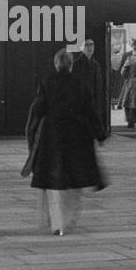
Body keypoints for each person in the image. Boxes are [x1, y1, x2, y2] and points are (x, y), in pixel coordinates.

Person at [23, 48, 107, 235]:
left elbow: (37, 110)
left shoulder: (47, 82)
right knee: (74, 181)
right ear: (71, 65)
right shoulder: (80, 83)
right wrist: (100, 134)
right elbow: (91, 111)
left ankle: (57, 224)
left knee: (54, 184)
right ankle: (68, 220)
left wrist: (31, 134)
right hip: (78, 136)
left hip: (51, 137)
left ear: (56, 64)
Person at [72, 39, 110, 141]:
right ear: (82, 48)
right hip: (82, 99)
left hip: (94, 98)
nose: (90, 47)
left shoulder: (96, 64)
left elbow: (99, 83)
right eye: (87, 45)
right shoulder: (77, 64)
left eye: (92, 45)